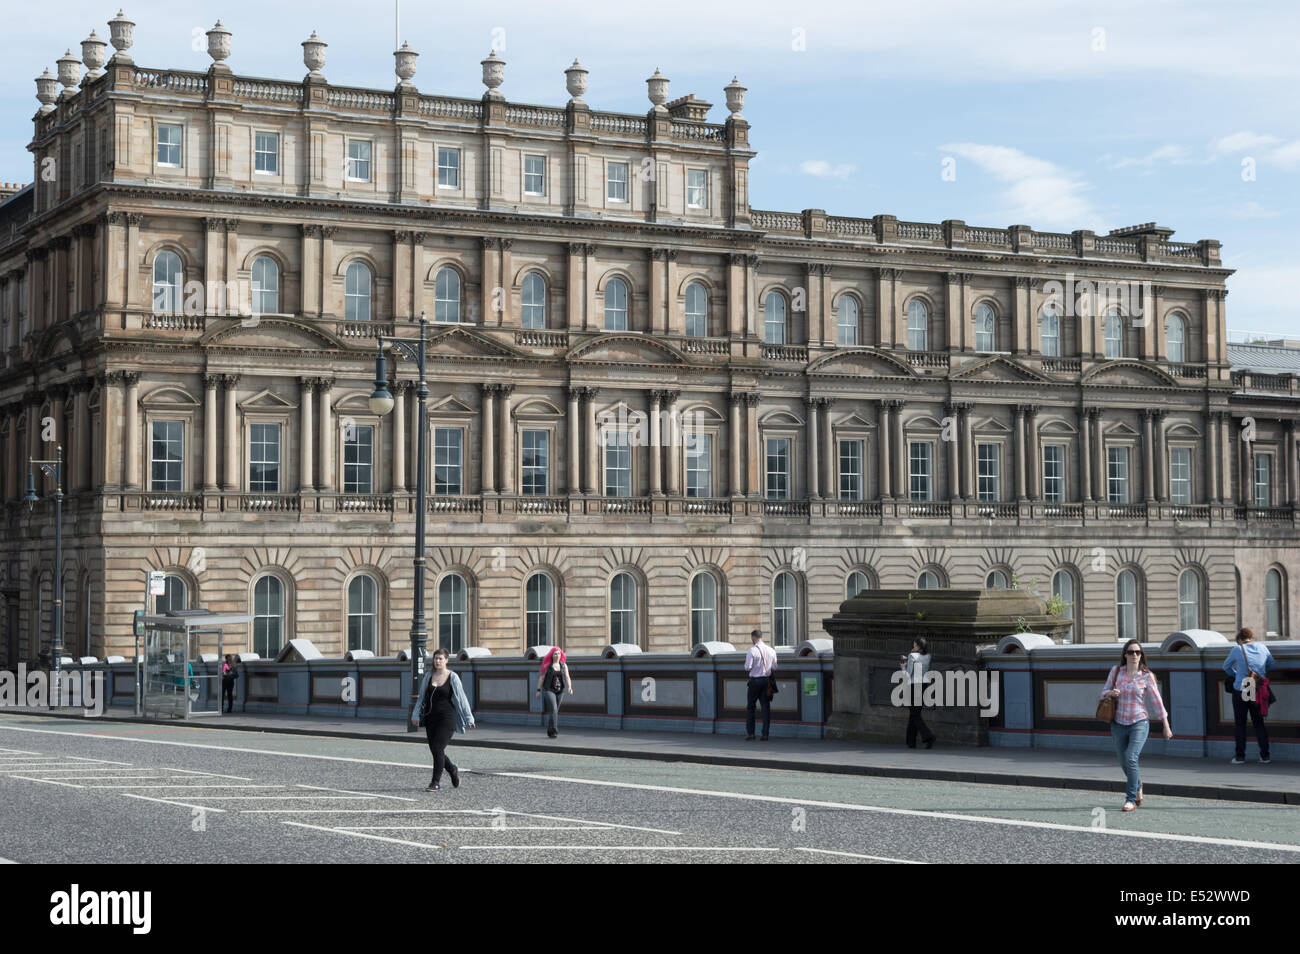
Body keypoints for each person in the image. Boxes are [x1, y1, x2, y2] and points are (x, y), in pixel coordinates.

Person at [1100, 640, 1173, 811]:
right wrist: (1110, 692)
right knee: (1123, 759)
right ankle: (1138, 784)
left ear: (1142, 655)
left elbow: (1157, 702)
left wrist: (1166, 725)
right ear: (1125, 654)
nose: (1134, 655)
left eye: (1138, 652)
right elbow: (1103, 692)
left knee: (1131, 757)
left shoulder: (1147, 676)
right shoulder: (1116, 671)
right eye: (1131, 652)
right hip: (1118, 722)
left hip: (1139, 722)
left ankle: (1131, 799)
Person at [411, 647, 475, 792]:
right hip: (430, 718)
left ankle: (435, 782)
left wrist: (469, 718)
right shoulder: (428, 676)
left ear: (446, 660)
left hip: (447, 718)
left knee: (438, 748)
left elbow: (462, 698)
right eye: (435, 658)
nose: (437, 661)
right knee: (435, 750)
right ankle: (452, 769)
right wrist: (415, 716)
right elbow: (421, 698)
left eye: (440, 658)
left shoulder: (452, 677)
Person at [1223, 627, 1275, 764]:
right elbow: (1271, 664)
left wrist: (1237, 675)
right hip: (1257, 686)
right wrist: (1259, 674)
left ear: (1239, 639)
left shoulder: (1237, 649)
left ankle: (1240, 756)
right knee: (1259, 723)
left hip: (1243, 686)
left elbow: (1226, 666)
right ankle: (1265, 756)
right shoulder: (1263, 647)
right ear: (1252, 637)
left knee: (1240, 723)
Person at [902, 637, 935, 749]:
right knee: (914, 713)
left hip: (914, 685)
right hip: (924, 685)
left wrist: (903, 667)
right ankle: (910, 741)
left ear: (919, 646)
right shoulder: (928, 656)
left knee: (915, 714)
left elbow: (908, 673)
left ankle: (928, 736)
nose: (913, 647)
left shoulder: (912, 656)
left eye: (915, 645)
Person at [744, 628, 777, 741]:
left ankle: (751, 733)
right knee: (765, 708)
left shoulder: (752, 651)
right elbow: (774, 667)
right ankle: (765, 734)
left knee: (751, 707)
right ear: (761, 637)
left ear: (754, 638)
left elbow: (747, 667)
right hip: (766, 681)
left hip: (755, 681)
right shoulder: (771, 650)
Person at [535, 647, 573, 738]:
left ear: (561, 655)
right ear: (552, 655)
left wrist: (570, 687)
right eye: (555, 653)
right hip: (549, 689)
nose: (557, 655)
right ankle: (555, 730)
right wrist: (538, 690)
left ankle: (550, 730)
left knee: (554, 711)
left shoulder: (564, 665)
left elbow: (567, 677)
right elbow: (542, 678)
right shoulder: (548, 666)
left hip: (560, 690)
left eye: (559, 653)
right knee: (554, 709)